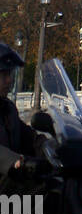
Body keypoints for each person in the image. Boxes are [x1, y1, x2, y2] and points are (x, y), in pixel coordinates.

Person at [0, 43, 46, 189]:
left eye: (10, 74)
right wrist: (14, 161)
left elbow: (28, 137)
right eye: (3, 75)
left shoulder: (8, 109)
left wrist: (51, 147)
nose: (9, 80)